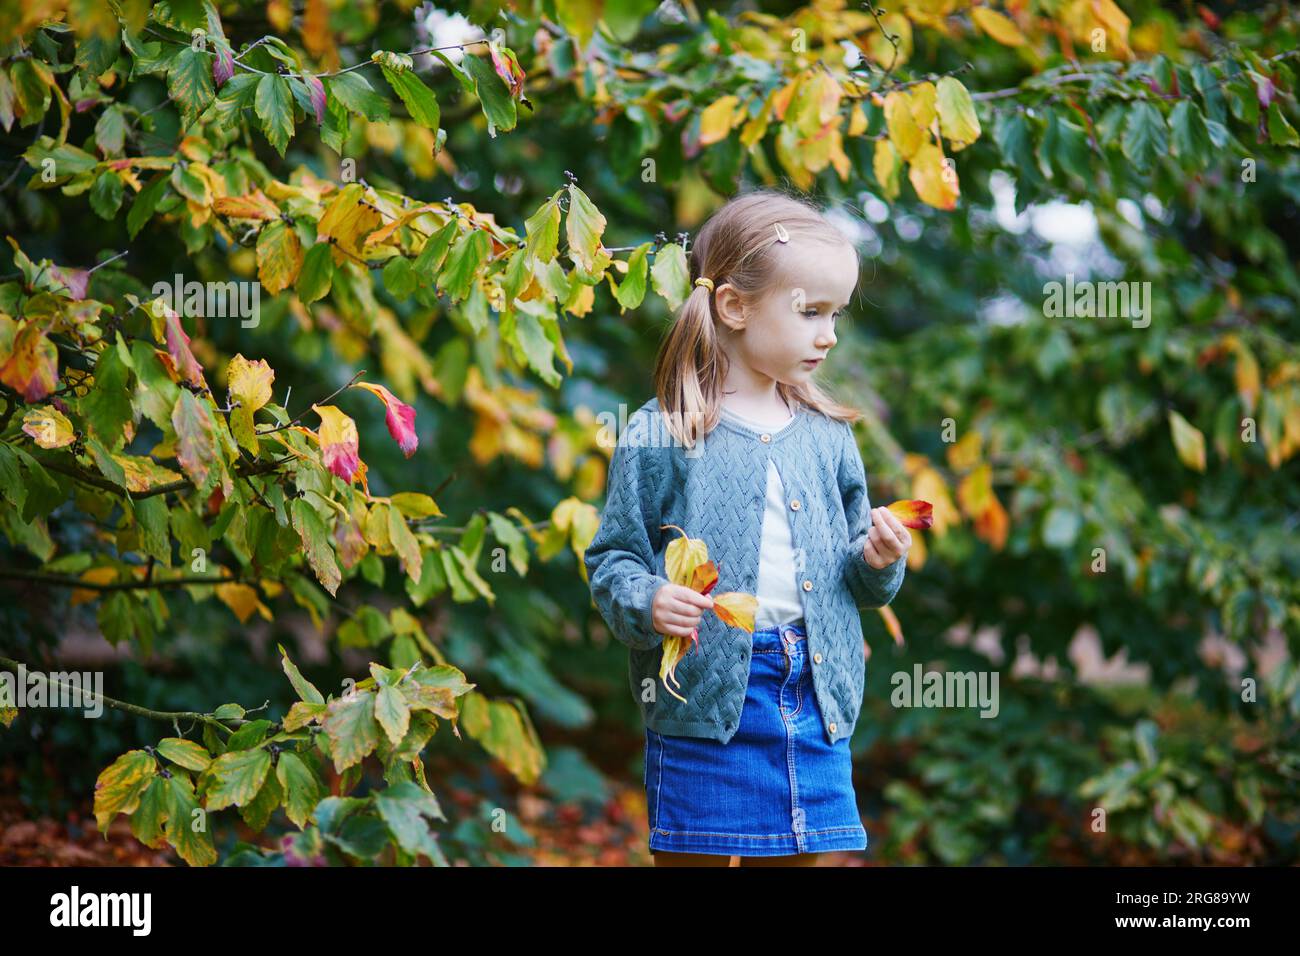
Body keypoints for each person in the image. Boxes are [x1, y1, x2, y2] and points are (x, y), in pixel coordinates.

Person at [584, 187, 912, 867]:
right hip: (706, 694)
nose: (829, 335)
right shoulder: (663, 432)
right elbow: (613, 558)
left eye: (836, 315)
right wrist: (648, 599)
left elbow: (858, 581)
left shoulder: (827, 437)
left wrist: (879, 561)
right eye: (810, 312)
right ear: (734, 306)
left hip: (814, 690)